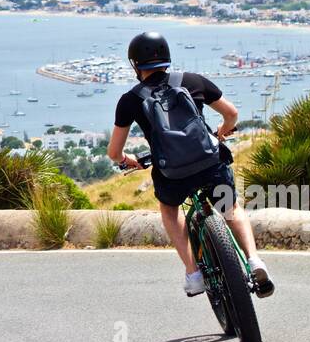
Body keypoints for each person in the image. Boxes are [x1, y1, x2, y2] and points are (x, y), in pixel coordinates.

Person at [106, 30, 273, 298]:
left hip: (172, 173)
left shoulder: (130, 100)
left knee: (170, 210)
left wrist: (129, 161)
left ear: (135, 64)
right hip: (210, 161)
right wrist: (222, 132)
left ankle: (193, 274)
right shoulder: (192, 80)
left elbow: (114, 152)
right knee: (230, 207)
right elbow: (231, 114)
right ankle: (254, 261)